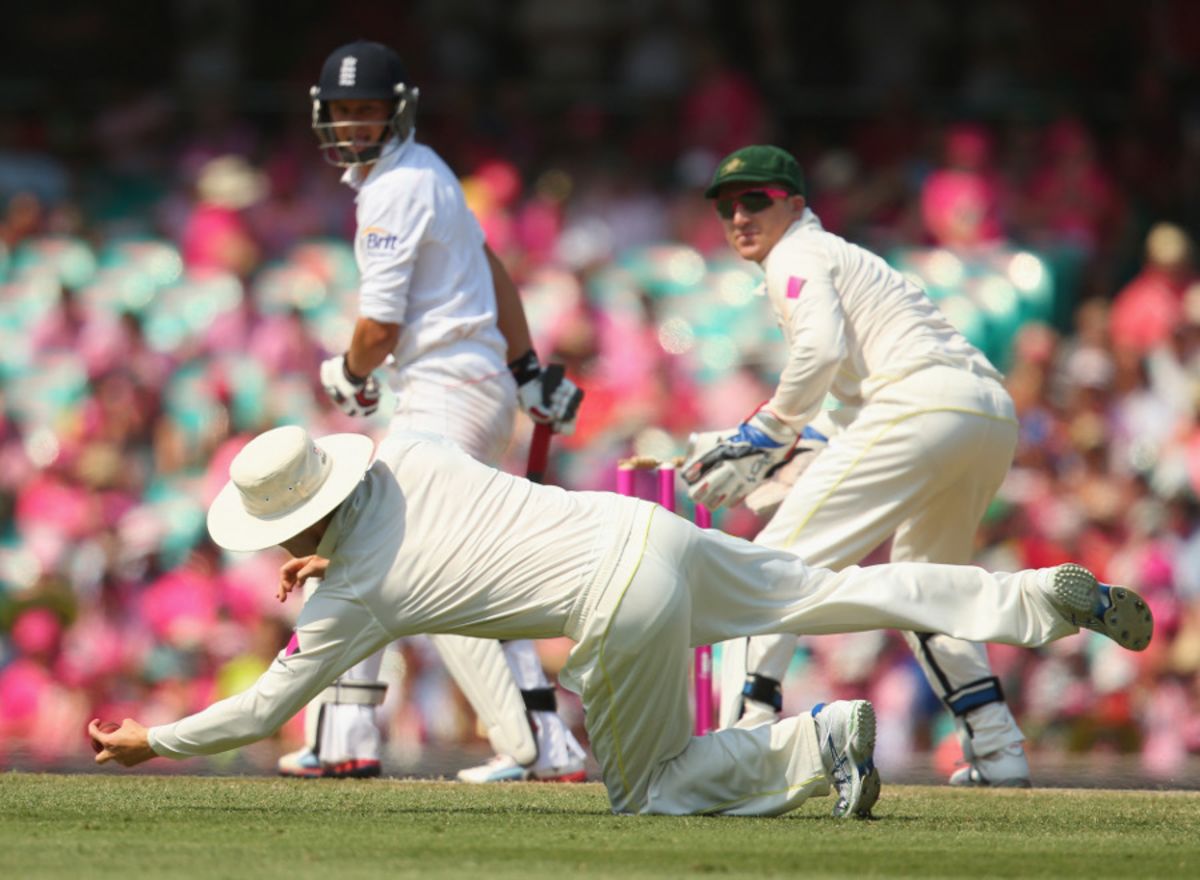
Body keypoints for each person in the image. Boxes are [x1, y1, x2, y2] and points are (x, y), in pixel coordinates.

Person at [91, 425, 1152, 818]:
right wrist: (335, 549)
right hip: (646, 528)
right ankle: (1029, 598)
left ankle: (814, 742)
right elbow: (402, 525)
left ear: (298, 520)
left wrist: (156, 739)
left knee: (645, 790)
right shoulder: (405, 452)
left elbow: (270, 704)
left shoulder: (352, 594)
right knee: (829, 585)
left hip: (612, 600)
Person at [681, 145, 1029, 786]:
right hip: (985, 414)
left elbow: (819, 353)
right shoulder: (842, 258)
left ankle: (742, 740)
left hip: (922, 407)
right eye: (727, 206)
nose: (739, 217)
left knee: (772, 563)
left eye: (754, 201)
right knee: (925, 584)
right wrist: (792, 449)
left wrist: (764, 434)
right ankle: (999, 748)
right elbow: (854, 389)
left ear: (795, 205)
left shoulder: (798, 254)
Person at [292, 39, 586, 782]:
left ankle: (536, 742)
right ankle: (348, 730)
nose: (355, 126)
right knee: (372, 545)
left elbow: (380, 328)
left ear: (397, 112)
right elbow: (491, 271)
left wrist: (347, 372)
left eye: (368, 112)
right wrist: (522, 366)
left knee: (432, 565)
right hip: (462, 387)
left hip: (446, 393)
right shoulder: (426, 174)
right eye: (345, 112)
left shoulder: (395, 187)